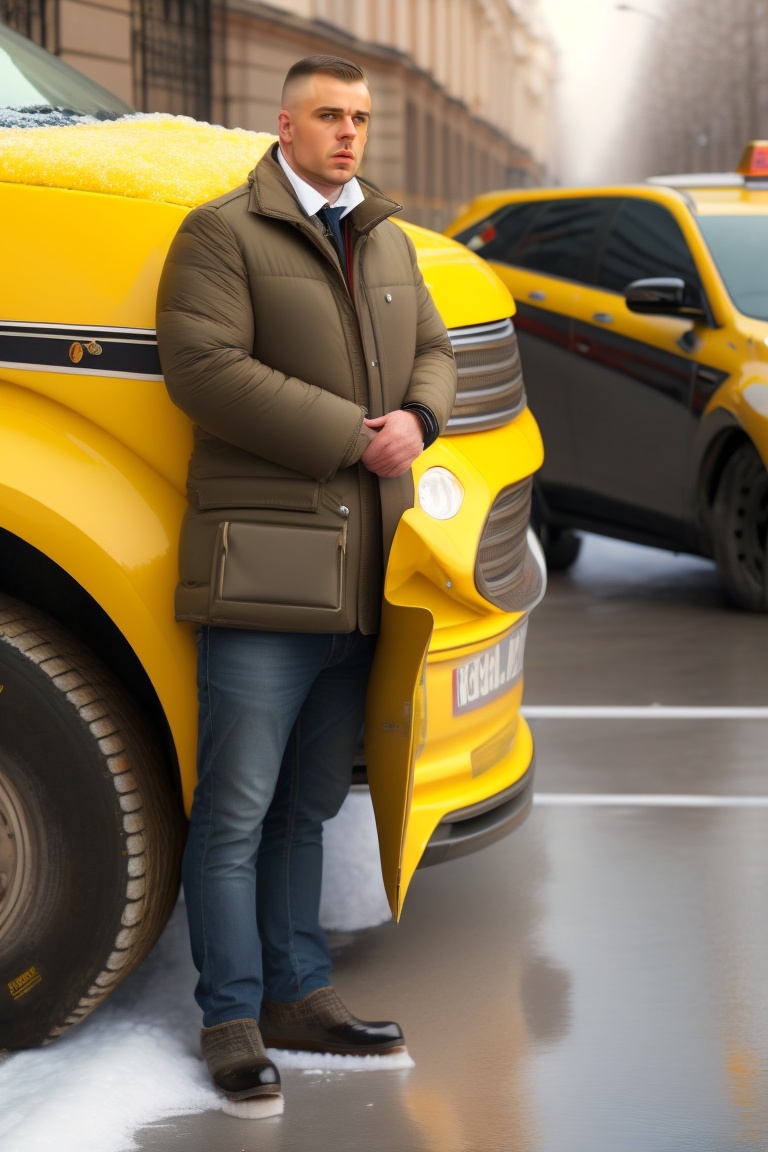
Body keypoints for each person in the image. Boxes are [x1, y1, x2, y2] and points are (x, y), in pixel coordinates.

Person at [156, 53, 457, 1114]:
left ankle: (301, 996)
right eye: (329, 115)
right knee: (235, 813)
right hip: (264, 577)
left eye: (360, 118)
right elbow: (201, 367)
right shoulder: (220, 233)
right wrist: (351, 436)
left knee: (306, 809)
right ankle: (231, 1018)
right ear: (282, 123)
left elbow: (435, 351)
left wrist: (420, 419)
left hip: (364, 579)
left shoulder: (383, 236)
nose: (348, 134)